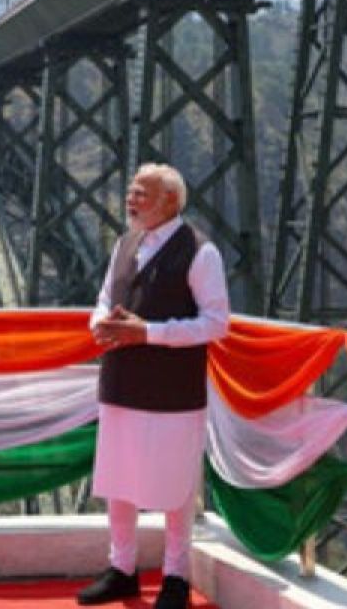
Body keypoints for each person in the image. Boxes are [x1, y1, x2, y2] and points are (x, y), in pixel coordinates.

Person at [76, 163, 230, 609]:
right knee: (118, 479)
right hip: (122, 382)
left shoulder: (201, 253)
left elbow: (217, 324)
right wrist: (99, 323)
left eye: (141, 193)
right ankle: (121, 569)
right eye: (131, 190)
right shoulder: (126, 244)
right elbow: (106, 297)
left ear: (169, 201)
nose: (131, 198)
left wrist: (150, 332)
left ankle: (176, 578)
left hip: (172, 392)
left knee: (175, 486)